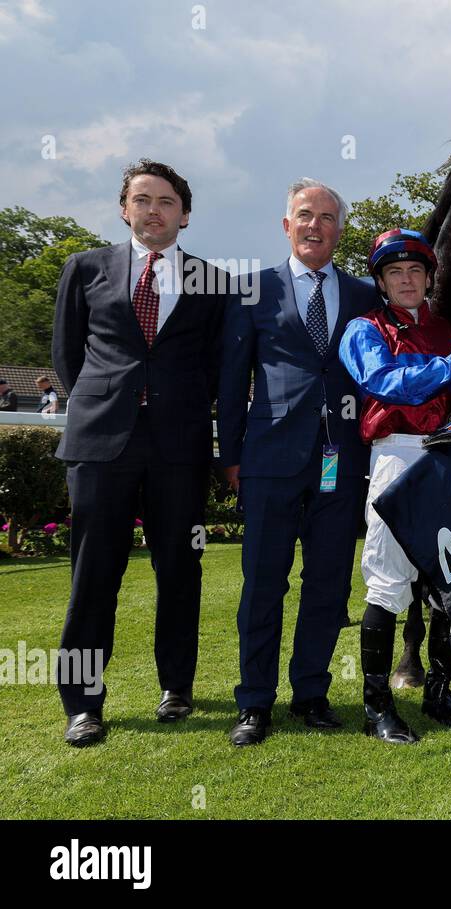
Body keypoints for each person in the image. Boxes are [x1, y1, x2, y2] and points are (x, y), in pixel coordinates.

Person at [51, 159, 227, 746]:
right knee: (93, 575)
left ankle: (177, 686)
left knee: (180, 571)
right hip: (102, 444)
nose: (155, 210)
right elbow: (68, 360)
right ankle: (83, 704)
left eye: (167, 201)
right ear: (124, 208)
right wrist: (104, 407)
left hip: (179, 446)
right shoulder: (85, 269)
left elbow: (218, 367)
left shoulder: (212, 280)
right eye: (143, 199)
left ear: (185, 213)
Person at [217, 178, 373, 746]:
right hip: (269, 460)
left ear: (339, 229)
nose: (315, 225)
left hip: (341, 461)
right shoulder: (251, 291)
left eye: (327, 217)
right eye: (305, 215)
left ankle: (311, 693)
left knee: (328, 585)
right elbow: (233, 384)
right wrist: (230, 456)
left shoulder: (364, 295)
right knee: (262, 584)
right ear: (287, 225)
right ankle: (254, 702)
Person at [338, 229, 451, 743]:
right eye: (394, 273)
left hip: (447, 458)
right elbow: (384, 382)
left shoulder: (450, 332)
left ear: (429, 278)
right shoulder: (362, 329)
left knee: (447, 580)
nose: (406, 281)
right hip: (395, 456)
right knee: (387, 579)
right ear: (381, 282)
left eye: (414, 272)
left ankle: (438, 694)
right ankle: (376, 707)